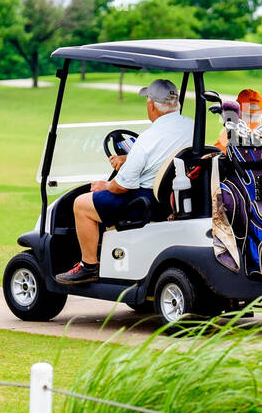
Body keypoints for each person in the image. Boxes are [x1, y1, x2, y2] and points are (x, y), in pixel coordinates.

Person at [56, 79, 192, 283]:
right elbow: (166, 156)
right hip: (173, 198)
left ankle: (89, 266)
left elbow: (122, 186)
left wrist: (105, 185)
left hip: (146, 201)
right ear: (176, 104)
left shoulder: (148, 137)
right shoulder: (191, 126)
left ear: (151, 105)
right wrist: (128, 159)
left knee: (81, 204)